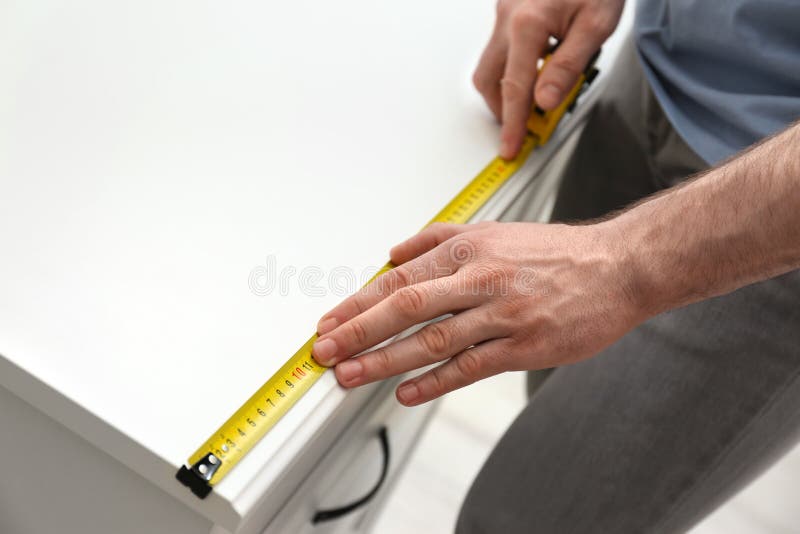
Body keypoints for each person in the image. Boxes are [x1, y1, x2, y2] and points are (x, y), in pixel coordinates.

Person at [312, 0, 800, 531]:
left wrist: (623, 262)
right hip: (656, 62)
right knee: (550, 379)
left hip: (777, 221)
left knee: (516, 521)